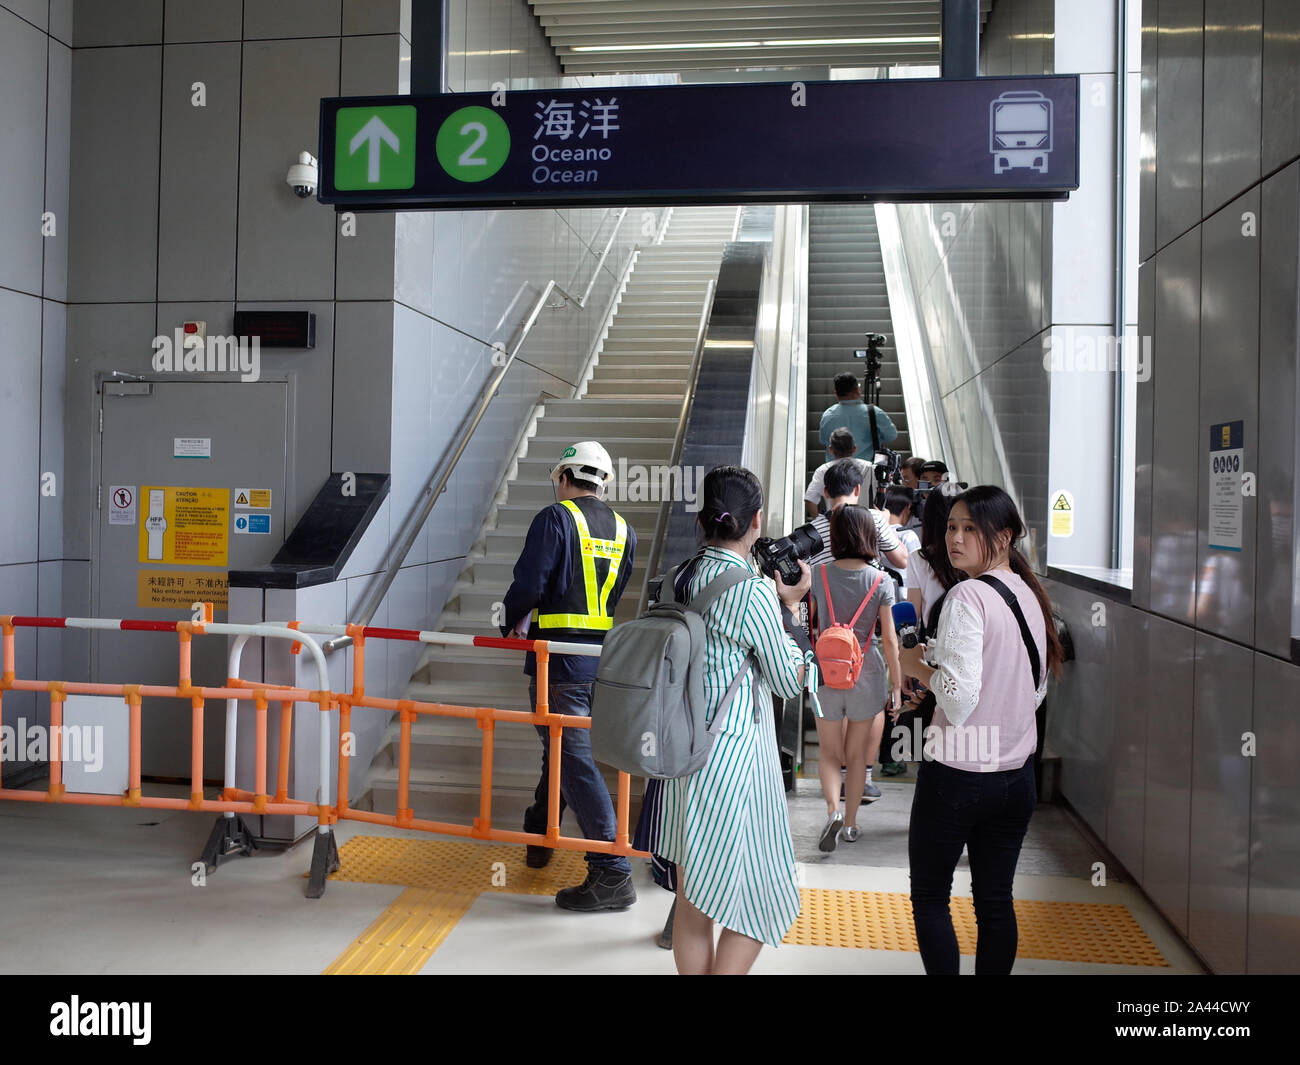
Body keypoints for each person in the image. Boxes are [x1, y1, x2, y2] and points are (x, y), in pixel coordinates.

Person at [898, 485, 1065, 975]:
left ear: (1004, 535)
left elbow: (962, 699)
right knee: (995, 900)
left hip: (957, 775)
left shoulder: (967, 594)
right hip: (1016, 776)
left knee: (931, 898)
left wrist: (917, 666)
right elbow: (1032, 692)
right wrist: (943, 675)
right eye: (952, 526)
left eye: (972, 528)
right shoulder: (1028, 593)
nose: (956, 537)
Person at [657, 465, 814, 975]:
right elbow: (788, 681)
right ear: (757, 521)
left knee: (694, 897)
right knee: (760, 891)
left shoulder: (679, 577)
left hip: (682, 753)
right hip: (735, 762)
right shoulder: (750, 591)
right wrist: (790, 612)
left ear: (703, 519)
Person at [500, 440, 638, 911]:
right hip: (602, 660)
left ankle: (612, 870)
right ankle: (542, 836)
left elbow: (529, 583)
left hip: (557, 661)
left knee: (572, 757)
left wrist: (510, 619)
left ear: (563, 477)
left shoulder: (554, 518)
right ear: (603, 481)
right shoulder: (624, 529)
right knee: (560, 749)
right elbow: (614, 592)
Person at [808, 505, 901, 851]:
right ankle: (849, 824)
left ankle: (832, 810)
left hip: (826, 672)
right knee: (857, 756)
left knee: (829, 752)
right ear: (870, 536)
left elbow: (809, 626)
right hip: (867, 674)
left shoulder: (818, 575)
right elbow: (889, 638)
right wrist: (896, 682)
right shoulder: (882, 580)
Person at [809, 459, 908, 574]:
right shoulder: (874, 518)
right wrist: (886, 524)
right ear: (857, 489)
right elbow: (902, 561)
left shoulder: (811, 531)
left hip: (826, 589)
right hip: (869, 589)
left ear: (825, 492)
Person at [819, 372, 898, 456]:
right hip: (867, 467)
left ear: (836, 393)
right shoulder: (874, 412)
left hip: (835, 467)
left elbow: (823, 440)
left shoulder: (828, 415)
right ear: (858, 390)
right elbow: (891, 436)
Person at [804, 428, 872, 518]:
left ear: (831, 449)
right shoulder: (869, 467)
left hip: (835, 522)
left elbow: (810, 500)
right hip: (865, 521)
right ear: (854, 448)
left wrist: (820, 522)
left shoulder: (822, 470)